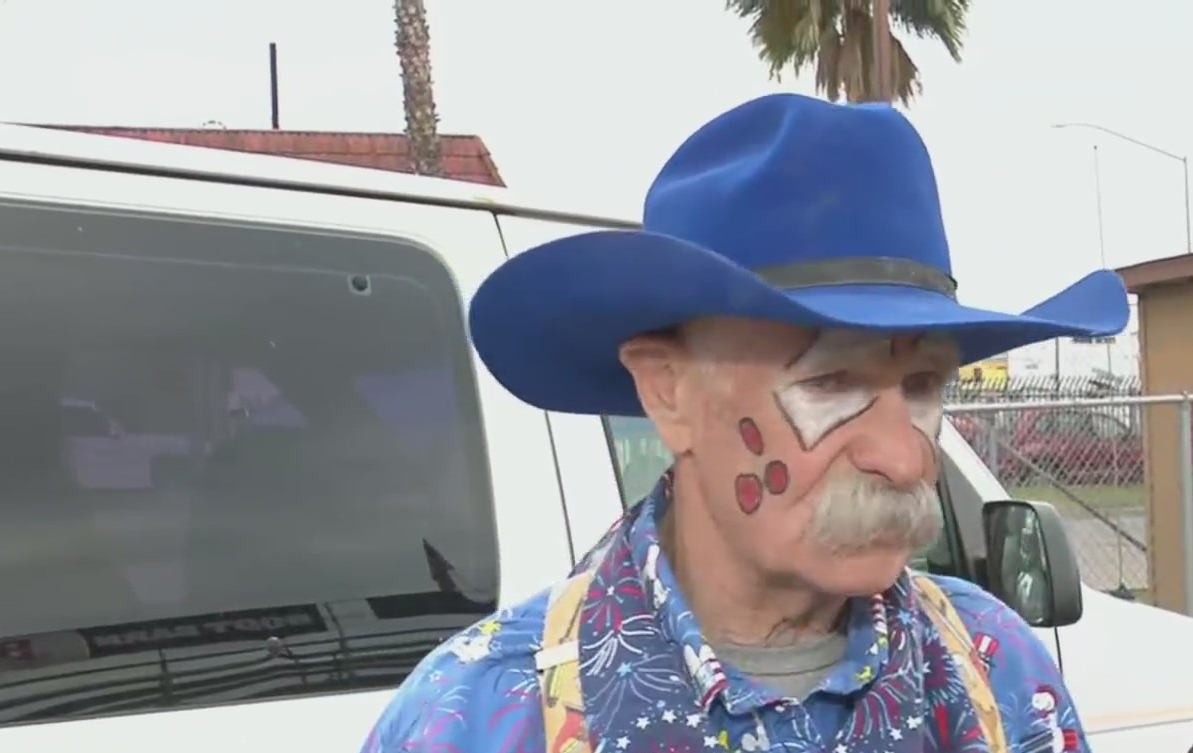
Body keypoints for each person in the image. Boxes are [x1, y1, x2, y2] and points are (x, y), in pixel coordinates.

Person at [360, 93, 1127, 753]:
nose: (903, 457)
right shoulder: (483, 717)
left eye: (923, 383)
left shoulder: (994, 669)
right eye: (832, 382)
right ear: (670, 393)